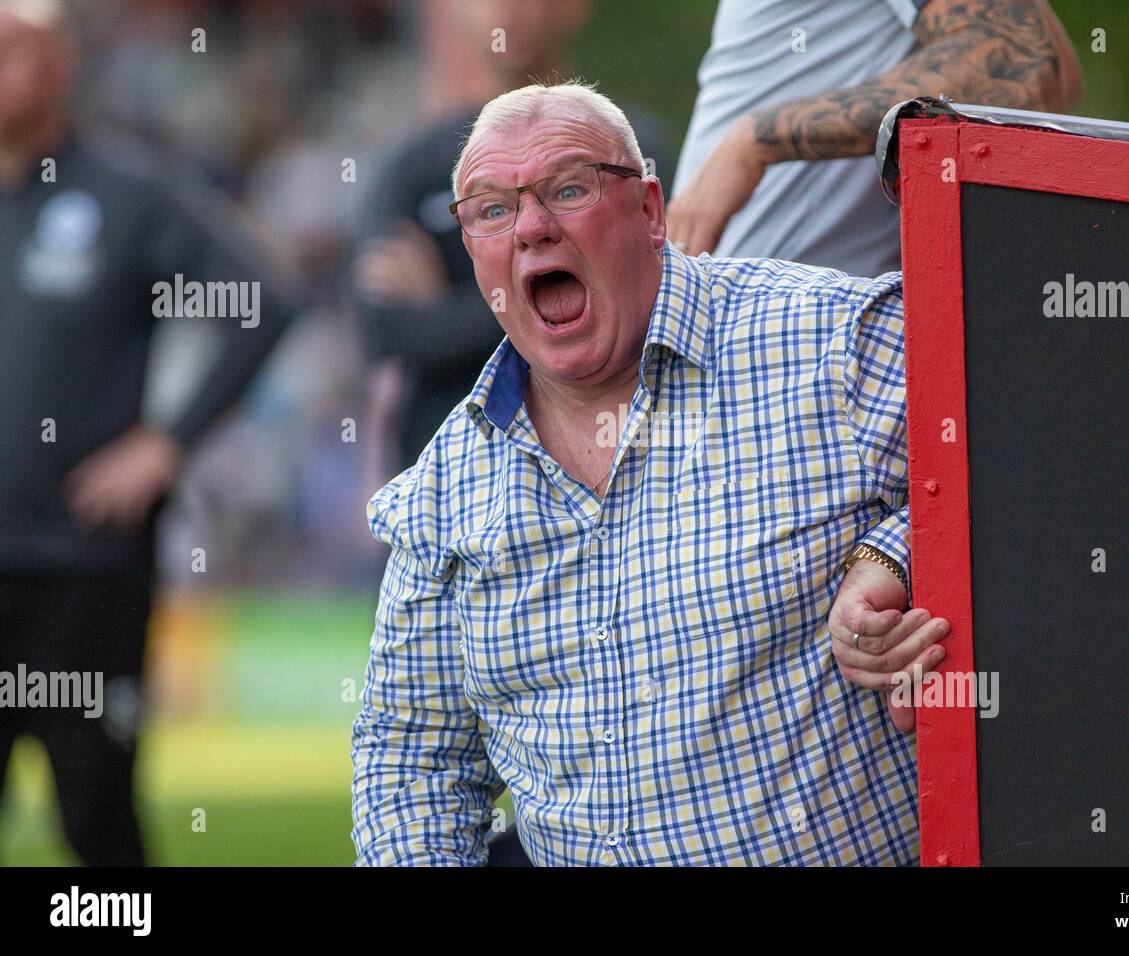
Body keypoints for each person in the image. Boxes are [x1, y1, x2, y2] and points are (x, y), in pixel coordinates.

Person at [351, 82, 951, 867]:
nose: (532, 227)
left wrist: (890, 558)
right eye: (492, 210)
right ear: (474, 252)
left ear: (650, 211)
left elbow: (1028, 440)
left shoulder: (822, 344)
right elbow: (411, 765)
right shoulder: (442, 494)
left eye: (569, 189)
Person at [0, 0, 295, 865]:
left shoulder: (128, 193)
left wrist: (166, 443)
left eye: (14, 50)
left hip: (83, 568)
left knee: (93, 816)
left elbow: (259, 303)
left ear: (61, 68)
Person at [352, 0, 676, 470]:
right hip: (454, 471)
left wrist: (451, 305)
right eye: (491, 210)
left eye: (568, 190)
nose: (508, 11)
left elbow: (656, 298)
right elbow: (380, 325)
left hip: (624, 462)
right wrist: (570, 299)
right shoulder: (411, 166)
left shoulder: (630, 146)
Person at [669, 0, 1083, 276]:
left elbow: (1023, 61)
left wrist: (752, 141)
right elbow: (1058, 69)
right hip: (792, 330)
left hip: (794, 347)